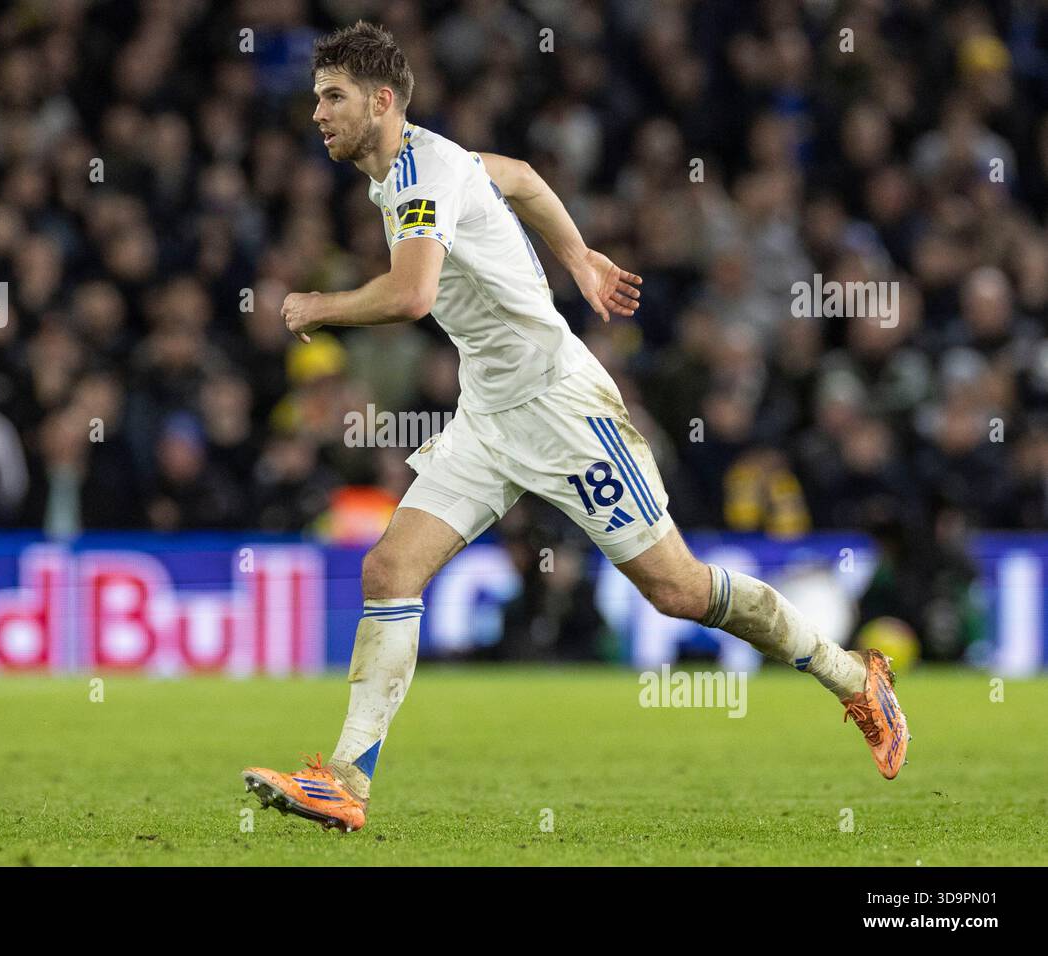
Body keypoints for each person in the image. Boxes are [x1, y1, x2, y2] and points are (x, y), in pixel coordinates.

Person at [243, 21, 908, 833]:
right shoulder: (417, 165)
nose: (317, 112)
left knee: (677, 589)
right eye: (317, 96)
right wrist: (580, 256)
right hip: (489, 413)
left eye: (332, 96)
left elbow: (412, 295)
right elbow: (519, 177)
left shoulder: (422, 172)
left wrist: (320, 305)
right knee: (388, 571)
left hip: (563, 410)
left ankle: (853, 678)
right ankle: (345, 780)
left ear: (382, 101)